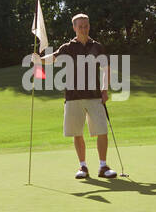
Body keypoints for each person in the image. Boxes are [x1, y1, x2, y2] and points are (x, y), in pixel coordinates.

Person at [32, 13, 117, 179]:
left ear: (89, 26)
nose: (83, 29)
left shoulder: (97, 46)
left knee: (102, 130)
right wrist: (39, 60)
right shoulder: (68, 47)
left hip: (94, 96)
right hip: (73, 96)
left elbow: (106, 68)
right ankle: (83, 167)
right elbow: (53, 58)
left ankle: (103, 166)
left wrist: (105, 89)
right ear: (74, 28)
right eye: (80, 27)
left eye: (86, 26)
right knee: (77, 132)